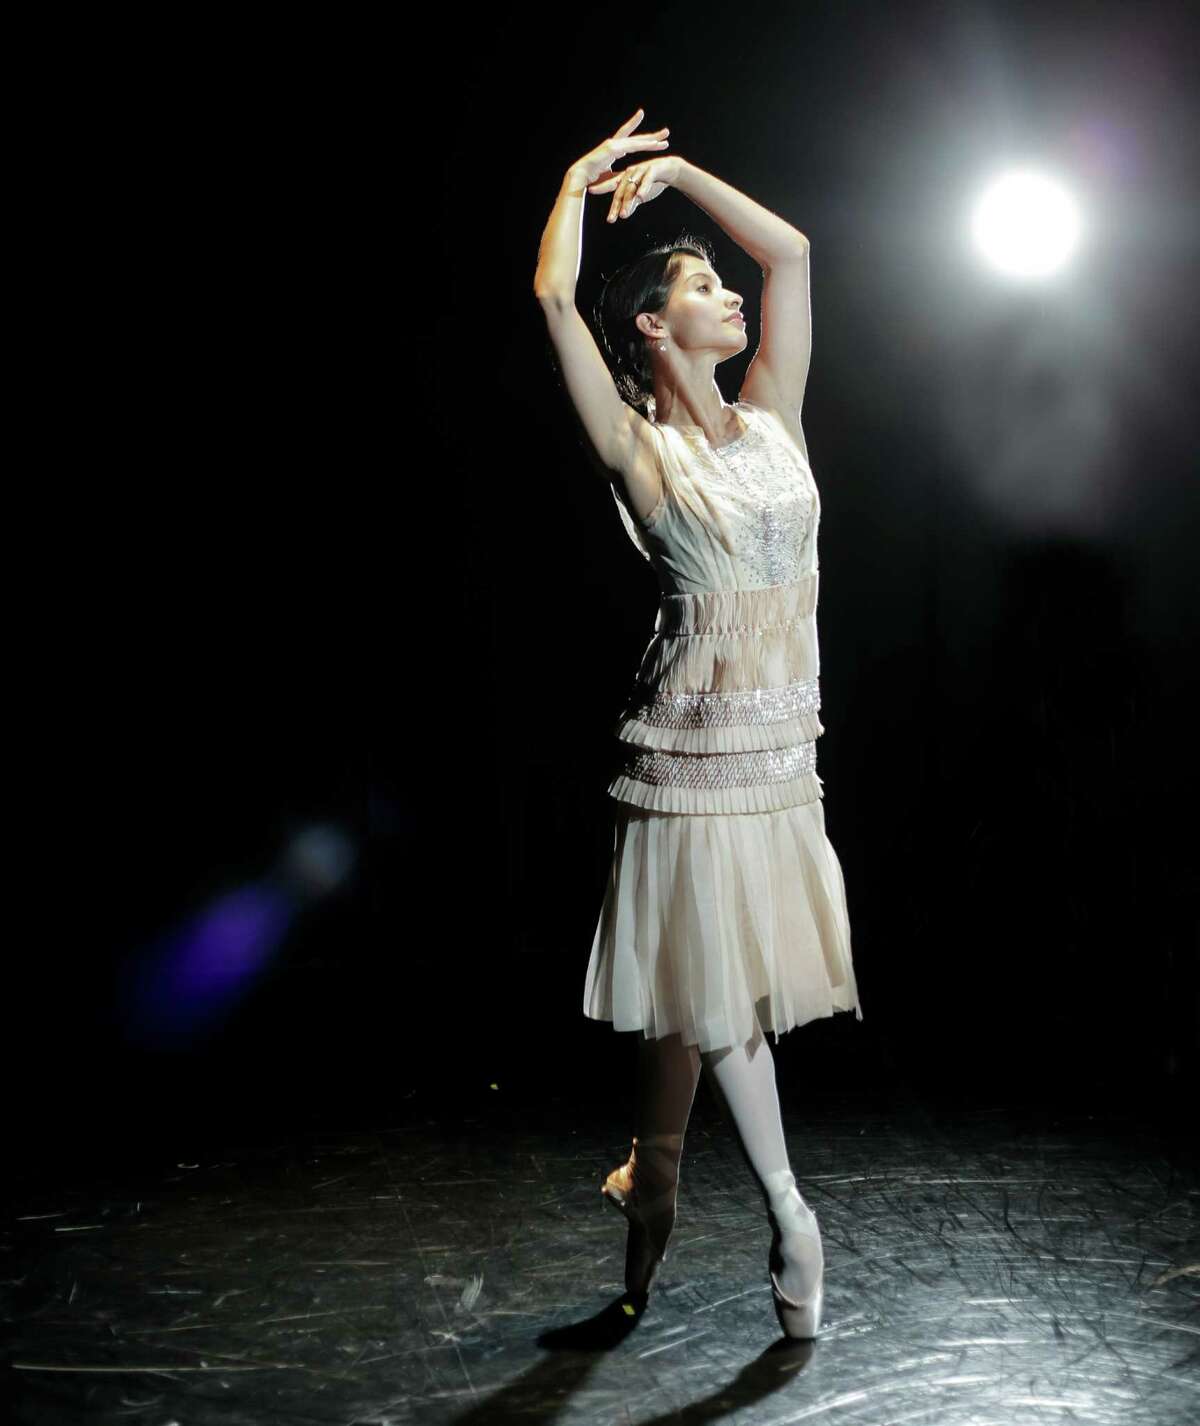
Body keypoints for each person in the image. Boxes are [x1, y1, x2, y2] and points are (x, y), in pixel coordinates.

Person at [534, 108, 863, 1339]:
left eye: (721, 284)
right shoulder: (642, 450)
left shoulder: (775, 411)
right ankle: (791, 1210)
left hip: (780, 757)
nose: (732, 295)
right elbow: (556, 301)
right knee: (716, 1007)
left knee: (680, 1043)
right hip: (687, 766)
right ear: (653, 325)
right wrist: (575, 183)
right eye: (700, 285)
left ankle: (635, 1273)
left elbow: (795, 254)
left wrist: (679, 174)